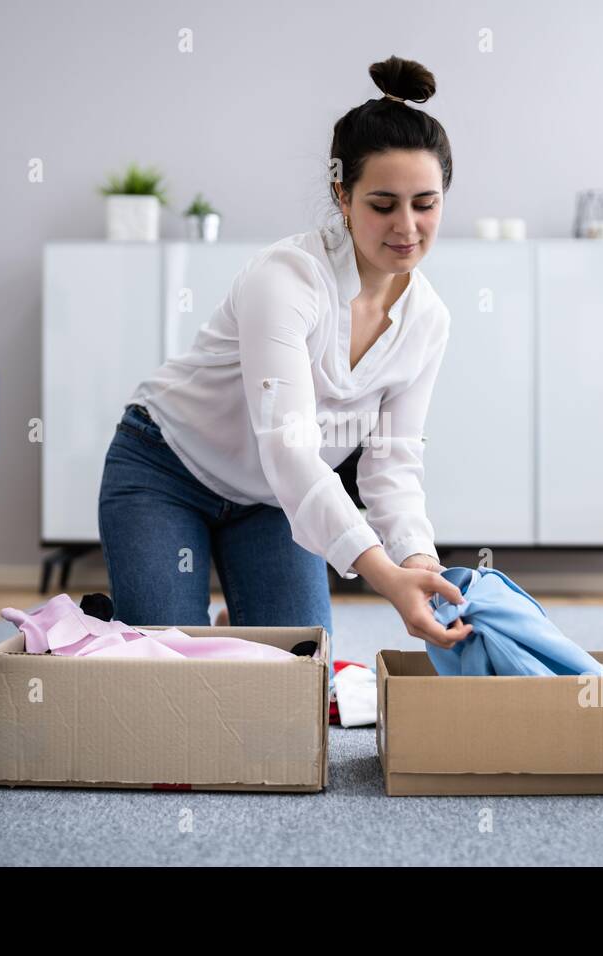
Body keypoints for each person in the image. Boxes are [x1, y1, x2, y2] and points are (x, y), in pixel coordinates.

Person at [97, 55, 473, 676]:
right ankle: (142, 624)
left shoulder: (428, 320)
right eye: (383, 204)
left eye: (425, 203)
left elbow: (393, 460)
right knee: (160, 674)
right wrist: (380, 573)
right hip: (166, 470)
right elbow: (291, 450)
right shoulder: (287, 279)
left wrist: (418, 563)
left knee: (302, 678)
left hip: (274, 504)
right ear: (342, 196)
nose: (407, 227)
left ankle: (232, 626)